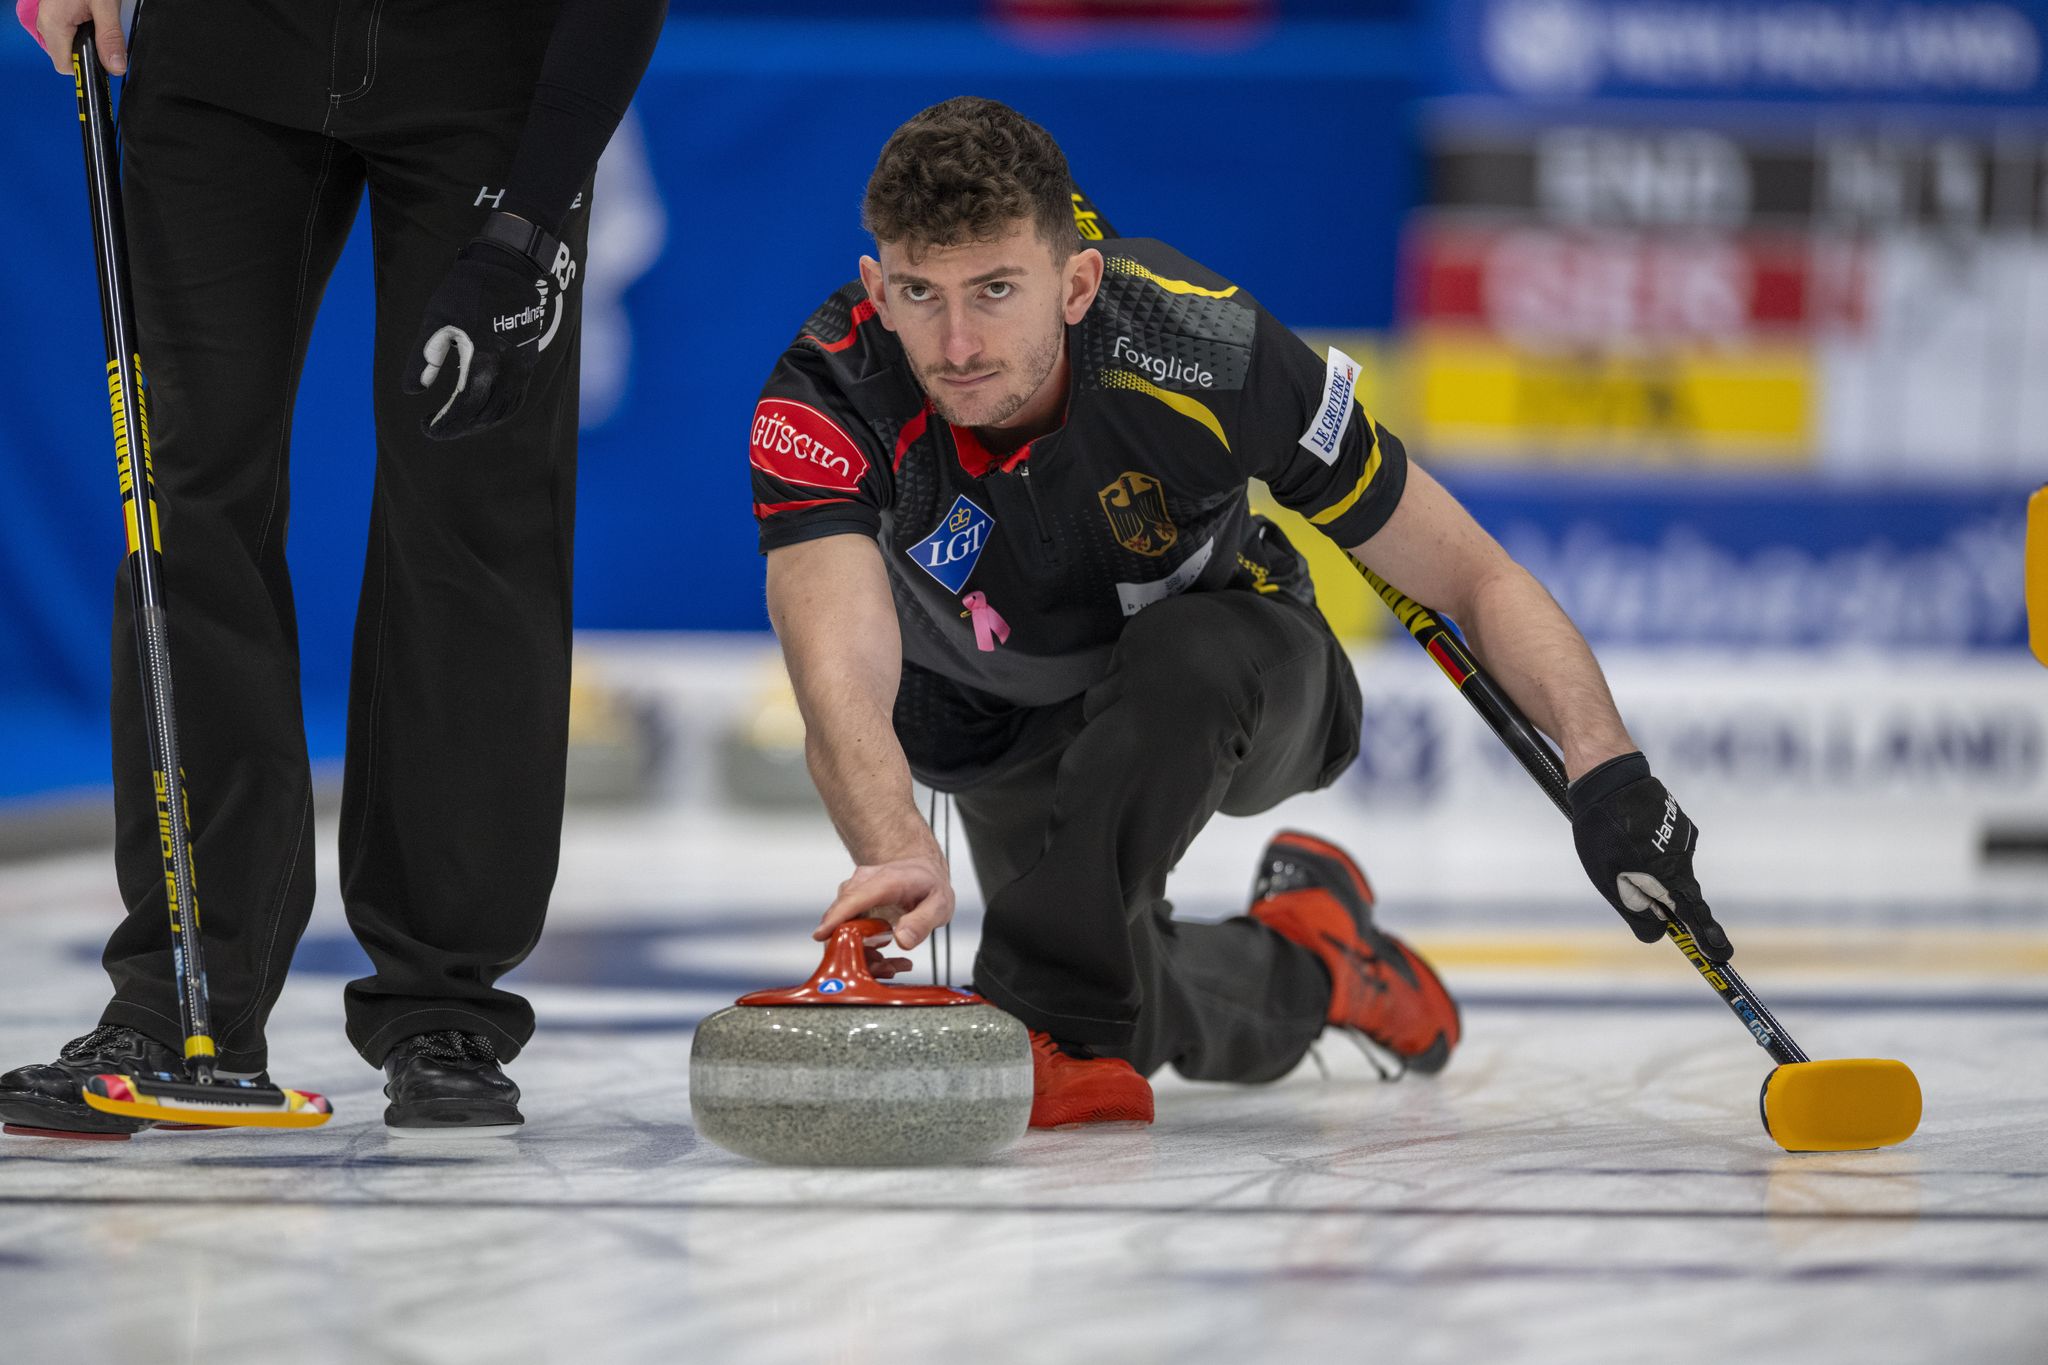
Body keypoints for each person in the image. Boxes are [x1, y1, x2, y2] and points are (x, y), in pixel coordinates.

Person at [751, 97, 1733, 1128]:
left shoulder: (1201, 344)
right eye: (920, 293)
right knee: (1100, 1009)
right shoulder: (824, 397)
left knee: (1069, 931)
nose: (955, 342)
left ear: (1076, 282)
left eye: (995, 290)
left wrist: (1604, 762)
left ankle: (1050, 1006)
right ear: (877, 288)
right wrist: (895, 843)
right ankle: (1319, 963)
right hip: (995, 720)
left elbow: (1470, 576)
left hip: (1231, 668)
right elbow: (838, 672)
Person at [0, 0, 668, 1138]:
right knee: (181, 505)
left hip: (481, 72)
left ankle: (442, 1001)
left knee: (471, 512)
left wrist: (535, 216)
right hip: (225, 51)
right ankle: (178, 992)